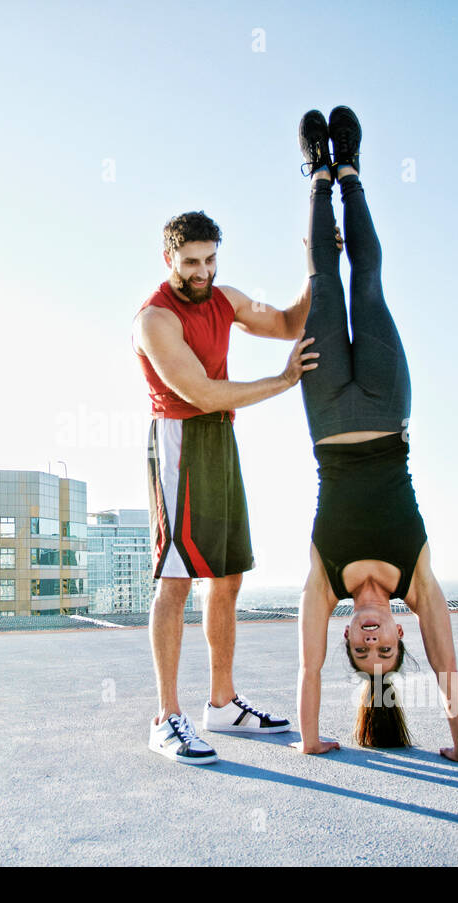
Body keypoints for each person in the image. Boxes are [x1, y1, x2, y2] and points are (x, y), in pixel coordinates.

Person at [291, 106, 458, 763]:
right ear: (401, 633)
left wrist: (310, 738)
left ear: (345, 632)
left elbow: (306, 673)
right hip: (384, 405)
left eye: (360, 649)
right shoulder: (419, 580)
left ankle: (317, 178)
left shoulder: (322, 585)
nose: (372, 641)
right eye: (385, 650)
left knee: (326, 282)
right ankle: (349, 170)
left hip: (325, 416)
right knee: (369, 282)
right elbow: (448, 668)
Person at [131, 209, 341, 764]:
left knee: (227, 577)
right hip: (180, 439)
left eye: (210, 259)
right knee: (177, 579)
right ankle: (166, 717)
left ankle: (222, 705)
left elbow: (291, 322)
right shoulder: (154, 320)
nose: (202, 271)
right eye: (191, 262)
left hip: (221, 439)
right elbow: (202, 394)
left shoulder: (225, 299)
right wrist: (283, 380)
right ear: (169, 258)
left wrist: (316, 265)